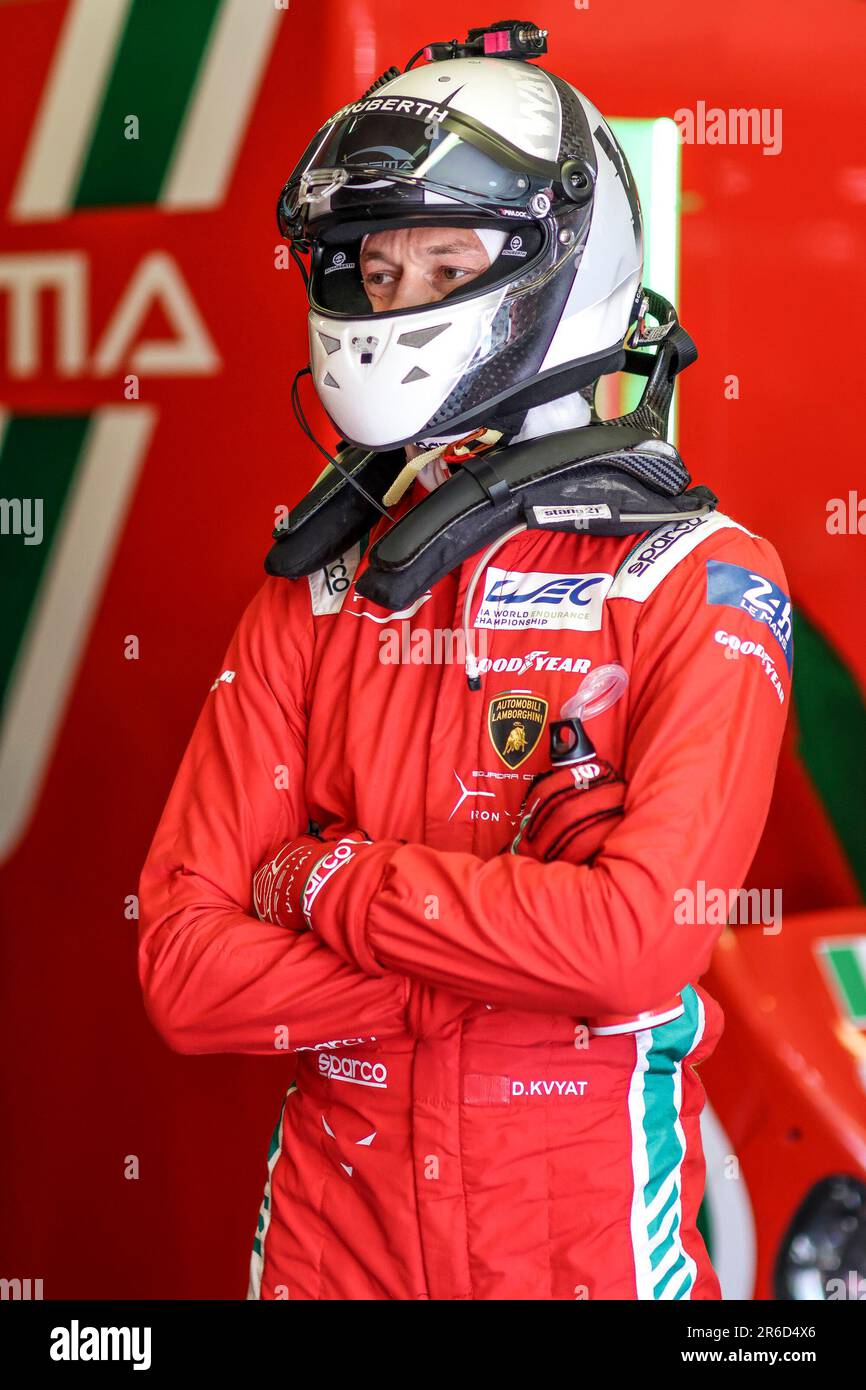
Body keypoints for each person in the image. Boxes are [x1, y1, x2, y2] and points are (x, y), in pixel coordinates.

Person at [139, 27, 791, 1301]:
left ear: (566, 257)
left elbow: (630, 948)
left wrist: (322, 874)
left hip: (583, 1246)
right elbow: (183, 974)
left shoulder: (700, 576)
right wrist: (501, 966)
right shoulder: (319, 587)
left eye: (446, 260)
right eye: (373, 271)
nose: (395, 303)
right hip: (331, 1251)